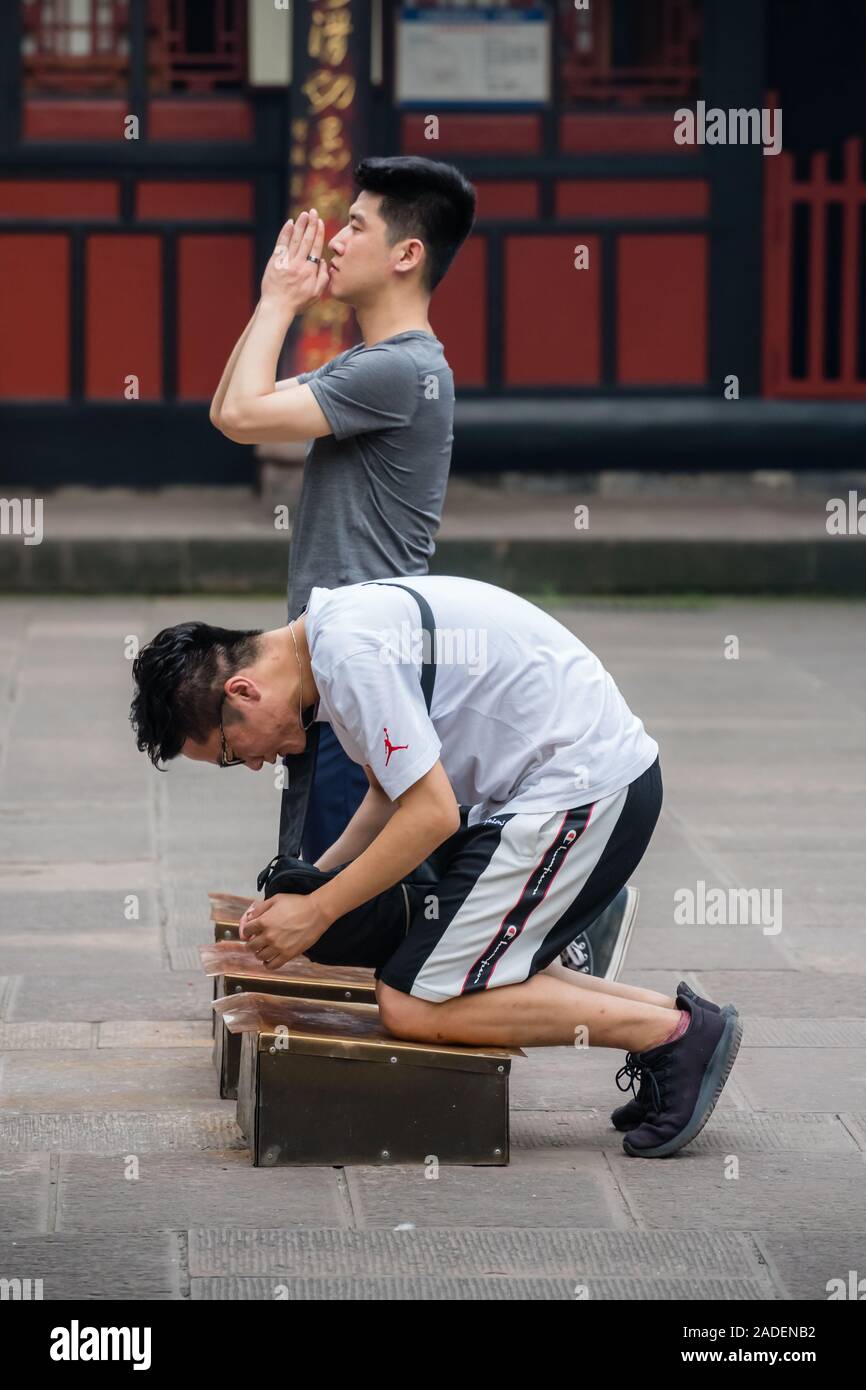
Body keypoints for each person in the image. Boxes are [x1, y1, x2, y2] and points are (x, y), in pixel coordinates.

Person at [129, 575, 741, 1158]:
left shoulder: (349, 658)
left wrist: (317, 911)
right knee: (451, 975)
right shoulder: (328, 642)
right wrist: (314, 878)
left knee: (412, 1002)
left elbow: (431, 816)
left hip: (583, 795)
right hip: (559, 795)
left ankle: (670, 1038)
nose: (256, 766)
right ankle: (681, 1024)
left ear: (242, 692)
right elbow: (388, 796)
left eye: (233, 753)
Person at [207, 156, 472, 864]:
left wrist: (279, 303)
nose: (334, 240)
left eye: (356, 226)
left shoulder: (397, 369)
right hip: (341, 666)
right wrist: (276, 299)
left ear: (406, 254)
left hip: (359, 668)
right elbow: (230, 408)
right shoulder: (376, 364)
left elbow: (238, 413)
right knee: (316, 889)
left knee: (332, 914)